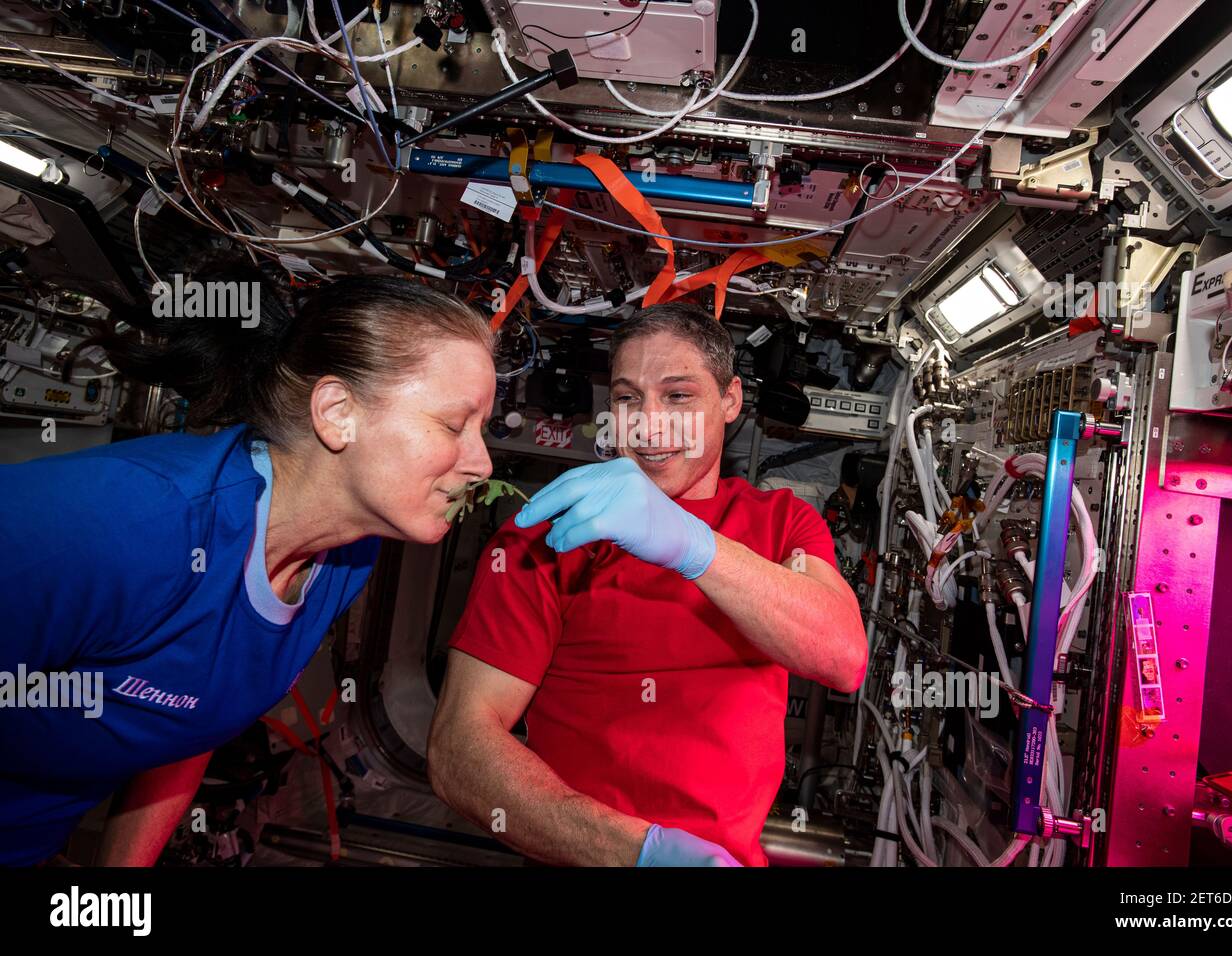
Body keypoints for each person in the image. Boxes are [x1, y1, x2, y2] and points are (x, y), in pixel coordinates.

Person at [0, 270, 497, 866]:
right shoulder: (130, 524)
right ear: (338, 412)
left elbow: (191, 717)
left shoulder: (346, 558)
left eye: (484, 430)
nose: (483, 463)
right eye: (452, 424)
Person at [427, 303, 868, 866]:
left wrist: (694, 547)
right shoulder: (553, 530)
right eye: (628, 397)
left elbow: (843, 656)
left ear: (730, 400)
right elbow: (458, 749)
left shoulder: (782, 523)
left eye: (678, 396)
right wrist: (638, 854)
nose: (649, 424)